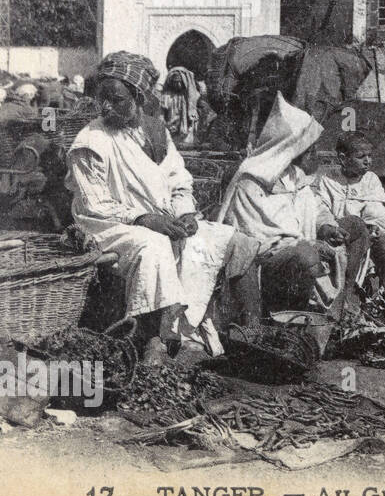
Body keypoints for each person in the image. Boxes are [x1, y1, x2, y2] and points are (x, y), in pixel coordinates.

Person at [66, 52, 262, 364]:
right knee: (153, 244)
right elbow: (93, 203)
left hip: (160, 220)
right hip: (109, 225)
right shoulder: (91, 140)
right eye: (102, 99)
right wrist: (144, 218)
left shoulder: (156, 132)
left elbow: (178, 180)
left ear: (138, 96)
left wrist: (184, 212)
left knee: (235, 241)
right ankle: (154, 340)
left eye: (116, 99)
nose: (105, 107)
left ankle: (254, 335)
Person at [218, 94, 365, 319]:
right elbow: (254, 240)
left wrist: (327, 227)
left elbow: (316, 210)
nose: (315, 156)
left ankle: (343, 300)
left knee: (356, 226)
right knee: (305, 255)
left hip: (305, 244)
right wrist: (307, 244)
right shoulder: (251, 182)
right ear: (291, 152)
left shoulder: (298, 177)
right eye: (310, 151)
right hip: (271, 261)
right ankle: (299, 314)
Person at [315, 132, 385, 293]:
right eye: (361, 157)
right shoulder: (329, 180)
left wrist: (375, 226)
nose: (368, 161)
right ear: (343, 159)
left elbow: (379, 210)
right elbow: (322, 209)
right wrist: (331, 227)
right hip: (341, 232)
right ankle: (345, 292)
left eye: (369, 156)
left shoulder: (371, 180)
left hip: (371, 233)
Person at [159, 65, 202, 146]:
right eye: (175, 82)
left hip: (186, 129)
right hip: (171, 127)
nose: (177, 84)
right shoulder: (167, 95)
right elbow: (161, 113)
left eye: (179, 82)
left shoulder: (189, 96)